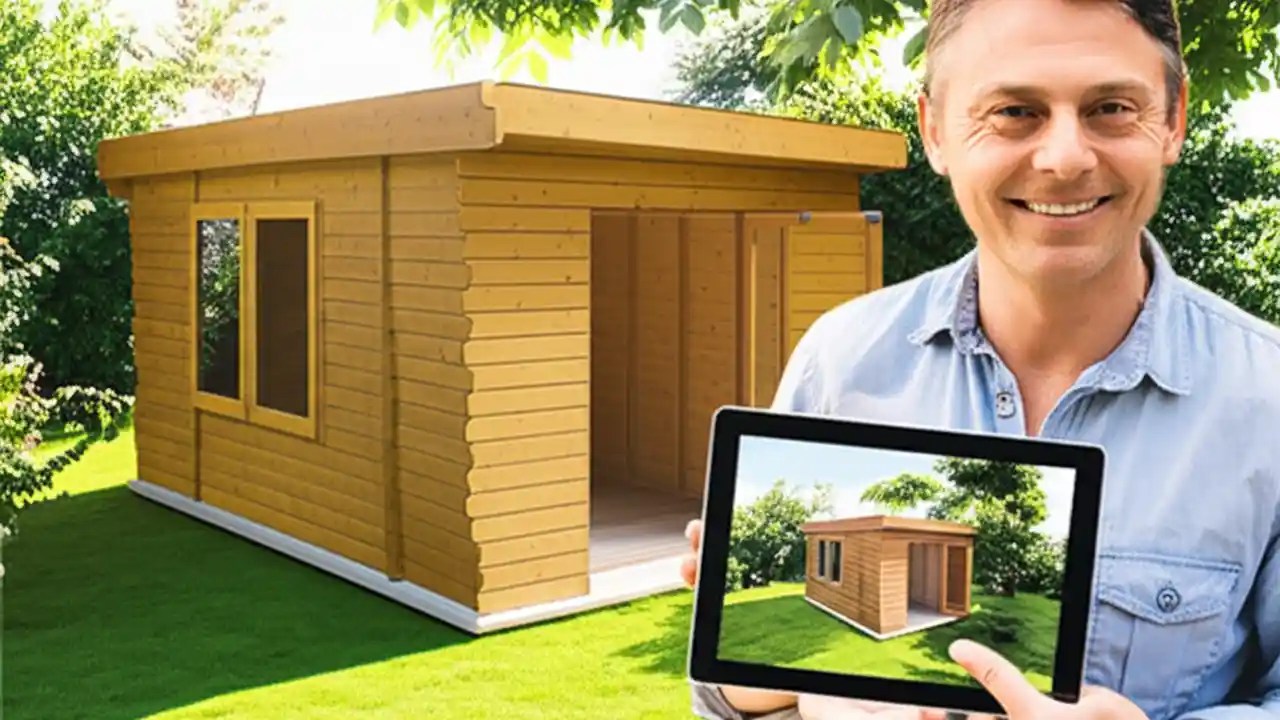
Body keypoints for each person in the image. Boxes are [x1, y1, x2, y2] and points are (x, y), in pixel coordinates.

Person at [681, 0, 1280, 718]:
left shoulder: (1268, 401)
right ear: (934, 130)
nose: (1065, 158)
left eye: (1112, 107)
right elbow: (731, 697)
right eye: (1014, 111)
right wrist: (773, 674)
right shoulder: (840, 359)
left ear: (1174, 120)